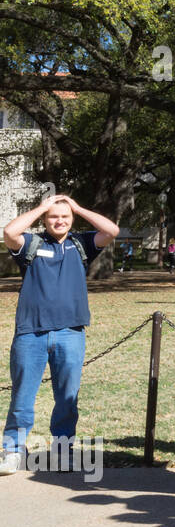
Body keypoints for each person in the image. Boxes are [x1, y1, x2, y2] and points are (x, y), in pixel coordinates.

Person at [2, 195, 119, 476]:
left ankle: (62, 451)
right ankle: (13, 451)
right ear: (44, 219)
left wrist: (76, 207)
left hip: (71, 333)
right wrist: (44, 206)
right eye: (53, 216)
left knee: (67, 398)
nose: (60, 221)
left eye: (65, 217)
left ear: (73, 219)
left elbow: (111, 231)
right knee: (22, 397)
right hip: (31, 333)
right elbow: (9, 232)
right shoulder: (31, 244)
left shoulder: (81, 244)